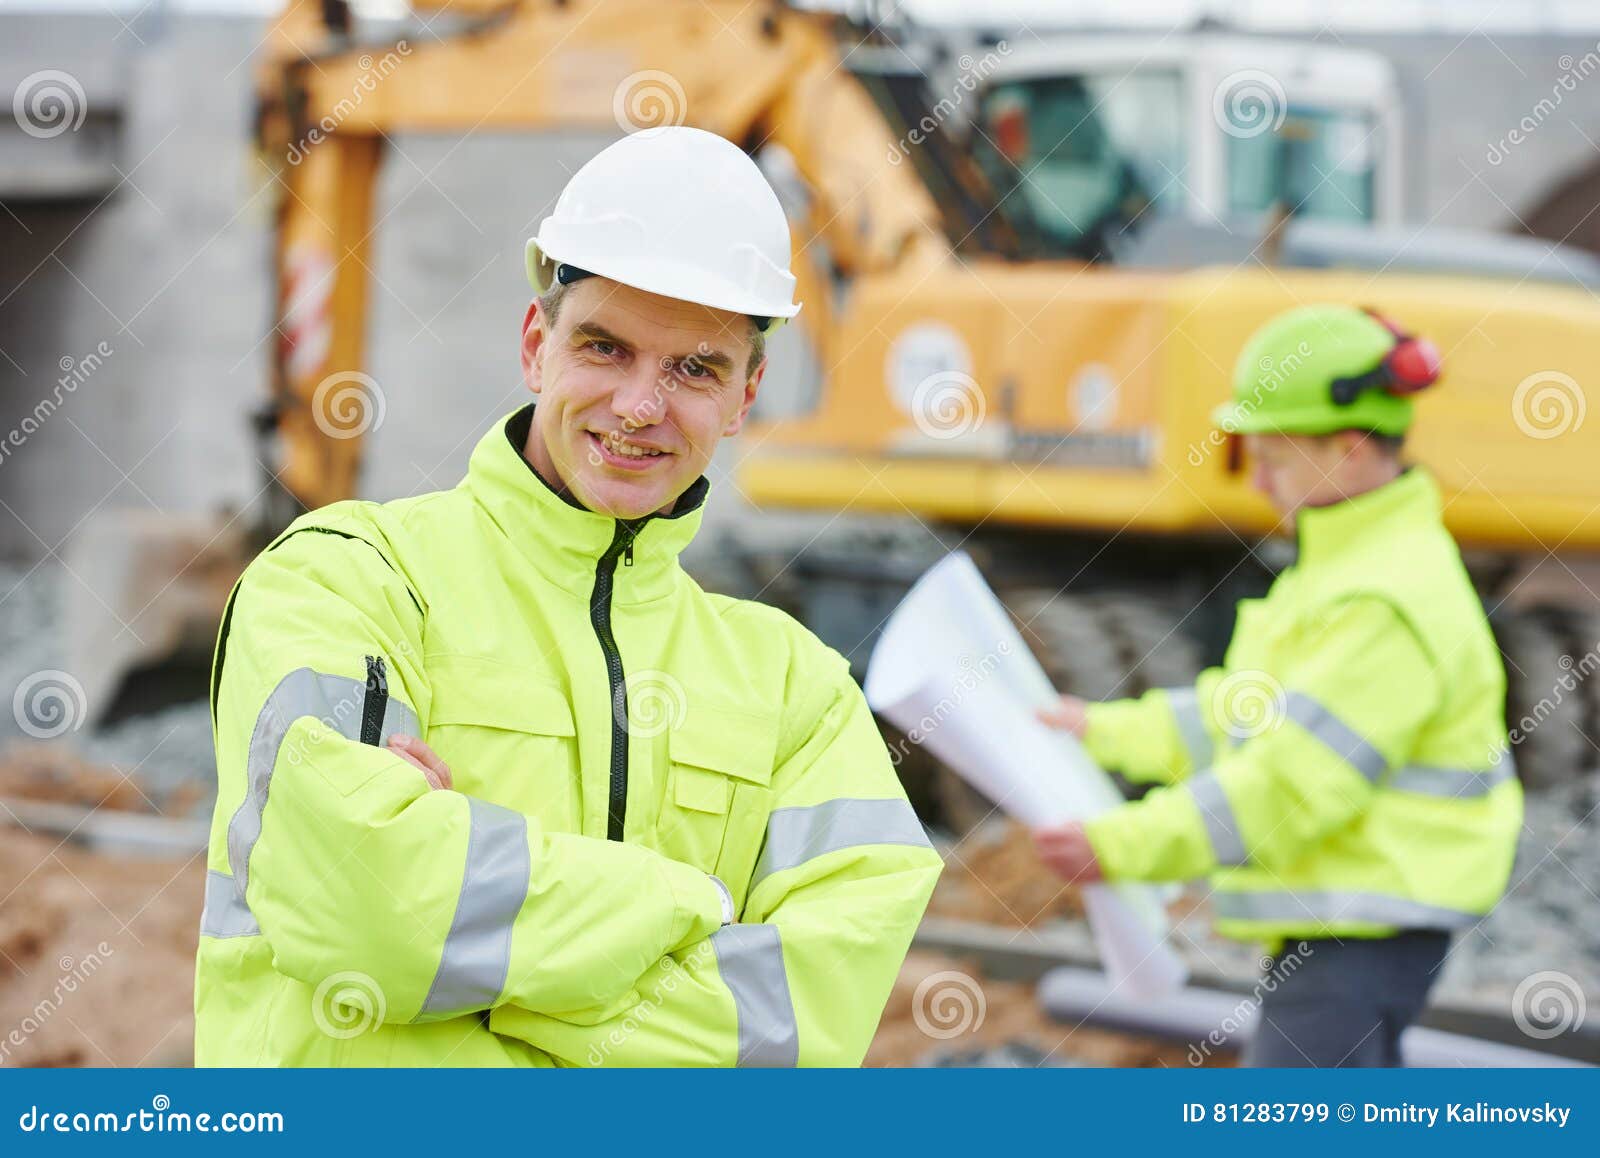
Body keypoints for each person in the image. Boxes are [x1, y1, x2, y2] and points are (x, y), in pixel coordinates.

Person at [194, 127, 942, 1067]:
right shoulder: (346, 579)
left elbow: (801, 1026)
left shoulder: (797, 690)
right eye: (604, 347)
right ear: (535, 346)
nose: (638, 405)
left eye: (694, 368)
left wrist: (467, 935)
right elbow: (365, 908)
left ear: (746, 395)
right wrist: (691, 907)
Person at [1032, 304, 1522, 1067]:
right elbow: (1243, 718)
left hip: (1363, 927)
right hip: (1351, 920)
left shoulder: (1382, 596)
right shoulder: (1345, 565)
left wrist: (1122, 845)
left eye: (1276, 457)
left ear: (1353, 451)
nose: (1257, 480)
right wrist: (1103, 731)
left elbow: (1291, 785)